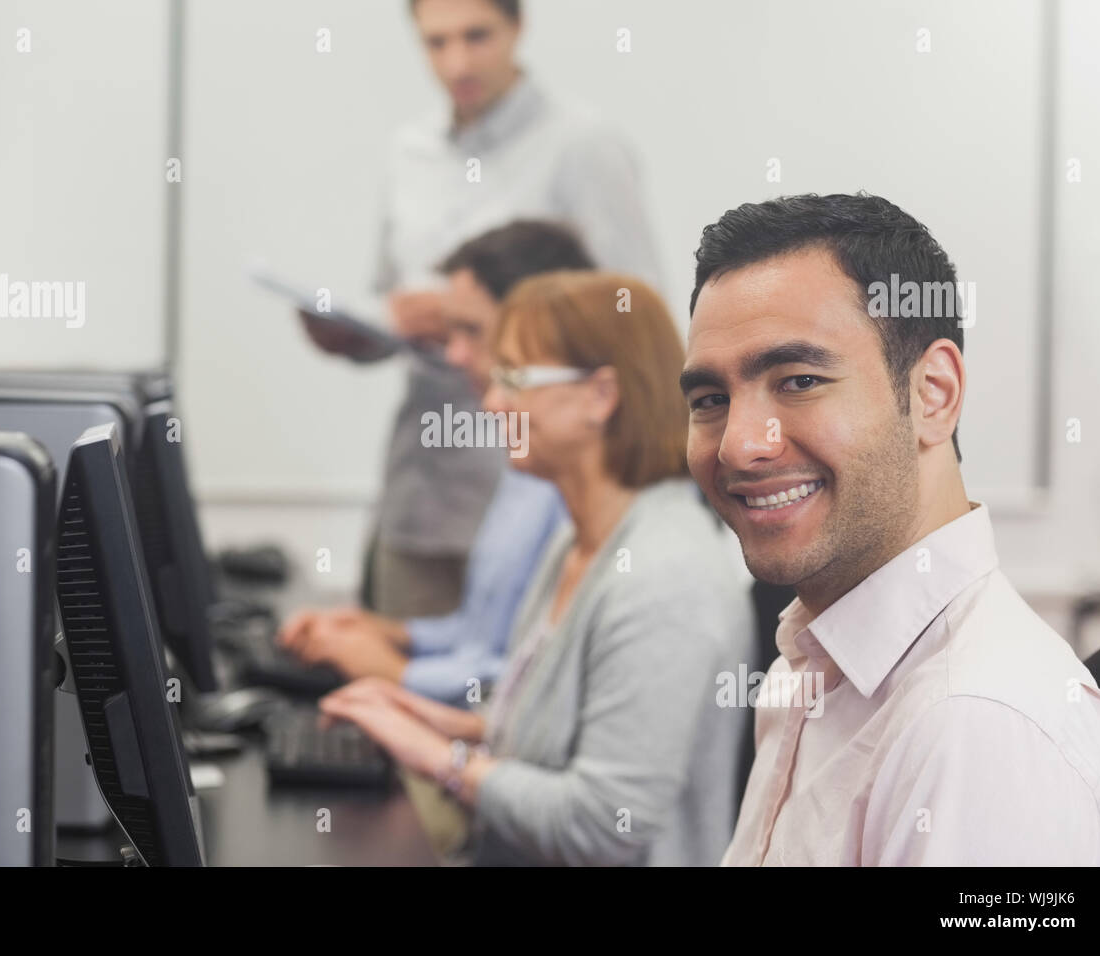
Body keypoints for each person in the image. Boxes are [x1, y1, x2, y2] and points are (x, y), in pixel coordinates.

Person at [679, 193, 1100, 865]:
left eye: (798, 380)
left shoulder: (977, 728)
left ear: (933, 394)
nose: (740, 445)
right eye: (711, 400)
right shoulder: (805, 667)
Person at [320, 272, 753, 866]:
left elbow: (602, 824)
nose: (493, 401)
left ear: (601, 396)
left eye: (516, 379)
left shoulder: (662, 576)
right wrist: (439, 721)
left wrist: (439, 759)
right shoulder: (578, 542)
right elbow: (549, 745)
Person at [360, 0, 661, 618]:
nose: (458, 61)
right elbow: (389, 292)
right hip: (422, 478)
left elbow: (635, 316)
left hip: (535, 480)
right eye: (436, 42)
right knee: (390, 669)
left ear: (518, 27)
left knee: (507, 685)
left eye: (477, 36)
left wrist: (471, 315)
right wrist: (370, 330)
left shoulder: (582, 145)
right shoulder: (408, 151)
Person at [279, 221, 592, 705]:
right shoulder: (525, 466)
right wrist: (383, 633)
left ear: (543, 331)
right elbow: (479, 635)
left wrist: (398, 674)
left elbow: (536, 686)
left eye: (471, 331)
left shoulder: (585, 492)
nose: (454, 354)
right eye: (449, 333)